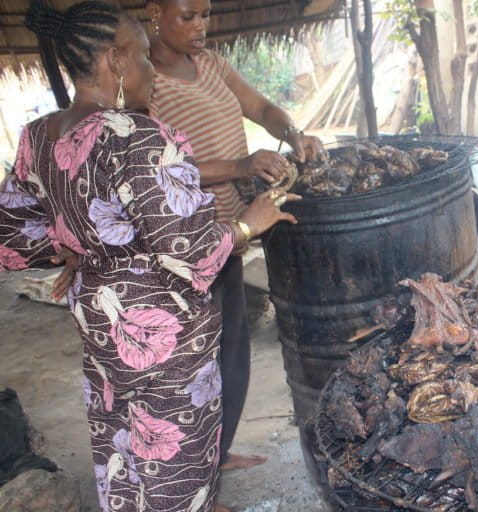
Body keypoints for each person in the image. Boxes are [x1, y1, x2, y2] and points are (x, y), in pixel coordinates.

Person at [2, 2, 299, 511]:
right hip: (166, 342)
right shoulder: (139, 137)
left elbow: (14, 237)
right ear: (114, 61)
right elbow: (193, 252)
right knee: (177, 470)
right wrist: (251, 221)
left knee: (125, 455)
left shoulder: (37, 136)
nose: (148, 73)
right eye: (140, 55)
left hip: (101, 327)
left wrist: (77, 247)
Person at [145, 0, 324, 471]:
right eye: (188, 16)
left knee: (232, 354)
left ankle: (214, 456)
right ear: (155, 13)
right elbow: (155, 172)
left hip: (232, 232)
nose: (201, 25)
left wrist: (292, 131)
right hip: (185, 244)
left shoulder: (210, 64)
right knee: (192, 364)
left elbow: (261, 107)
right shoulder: (143, 83)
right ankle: (193, 478)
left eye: (205, 14)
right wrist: (241, 165)